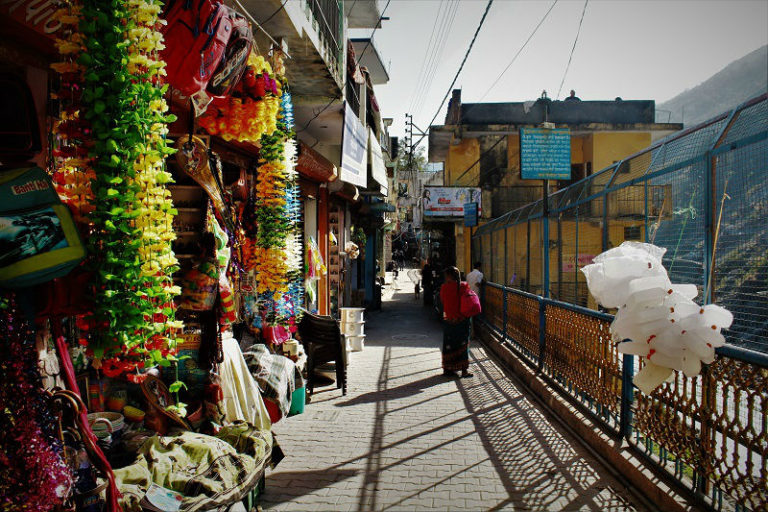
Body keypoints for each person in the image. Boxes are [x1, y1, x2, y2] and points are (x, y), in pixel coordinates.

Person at [439, 267, 473, 378]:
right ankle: (464, 371)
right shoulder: (463, 286)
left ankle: (448, 369)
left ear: (449, 276)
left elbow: (442, 301)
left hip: (449, 320)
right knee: (462, 345)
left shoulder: (444, 287)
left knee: (449, 345)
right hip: (462, 320)